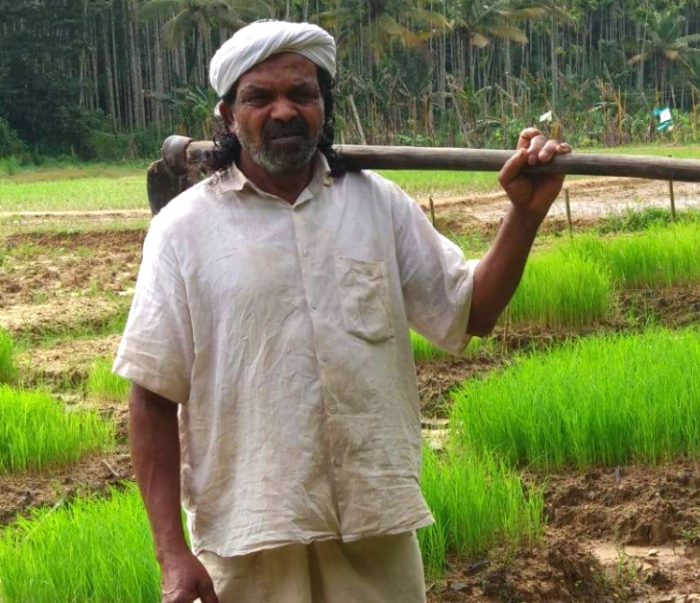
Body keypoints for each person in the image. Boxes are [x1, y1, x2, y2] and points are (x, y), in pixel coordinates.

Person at [114, 20, 570, 603]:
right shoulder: (182, 232)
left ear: (324, 107)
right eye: (259, 97)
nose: (283, 112)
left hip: (375, 532)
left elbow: (471, 311)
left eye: (302, 94)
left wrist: (526, 214)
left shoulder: (379, 206)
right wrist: (172, 555)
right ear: (228, 116)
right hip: (250, 545)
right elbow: (151, 395)